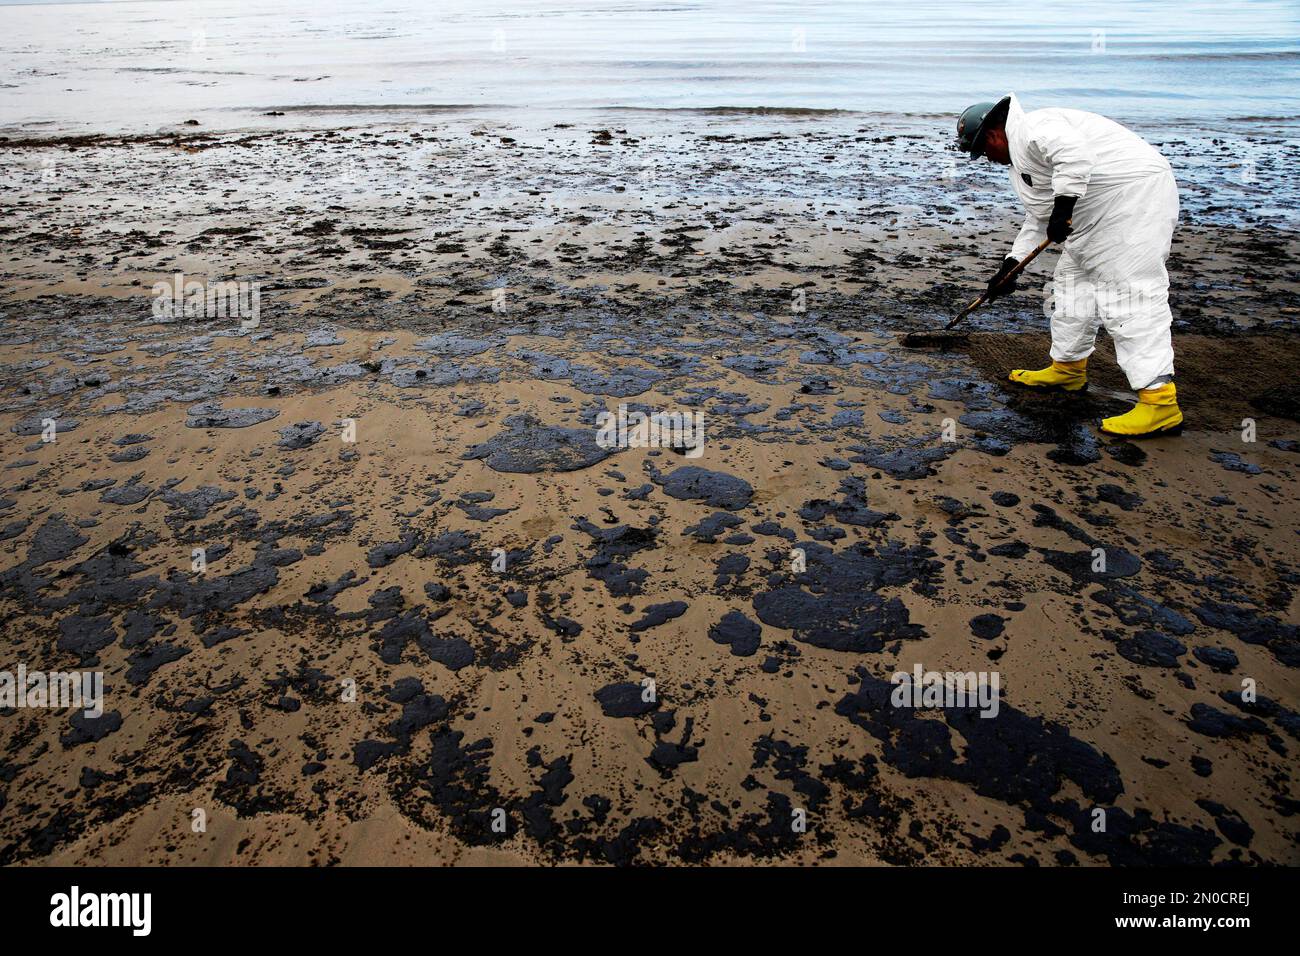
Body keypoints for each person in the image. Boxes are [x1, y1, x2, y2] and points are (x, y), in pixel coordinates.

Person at [956, 94, 1183, 436]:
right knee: (1072, 284)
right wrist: (1010, 267)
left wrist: (1064, 207)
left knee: (1128, 294)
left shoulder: (1036, 128)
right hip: (1093, 211)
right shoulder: (1022, 162)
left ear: (992, 135)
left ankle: (1160, 403)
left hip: (1132, 199)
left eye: (984, 151)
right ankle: (1068, 369)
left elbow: (1074, 157)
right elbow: (1038, 218)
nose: (988, 159)